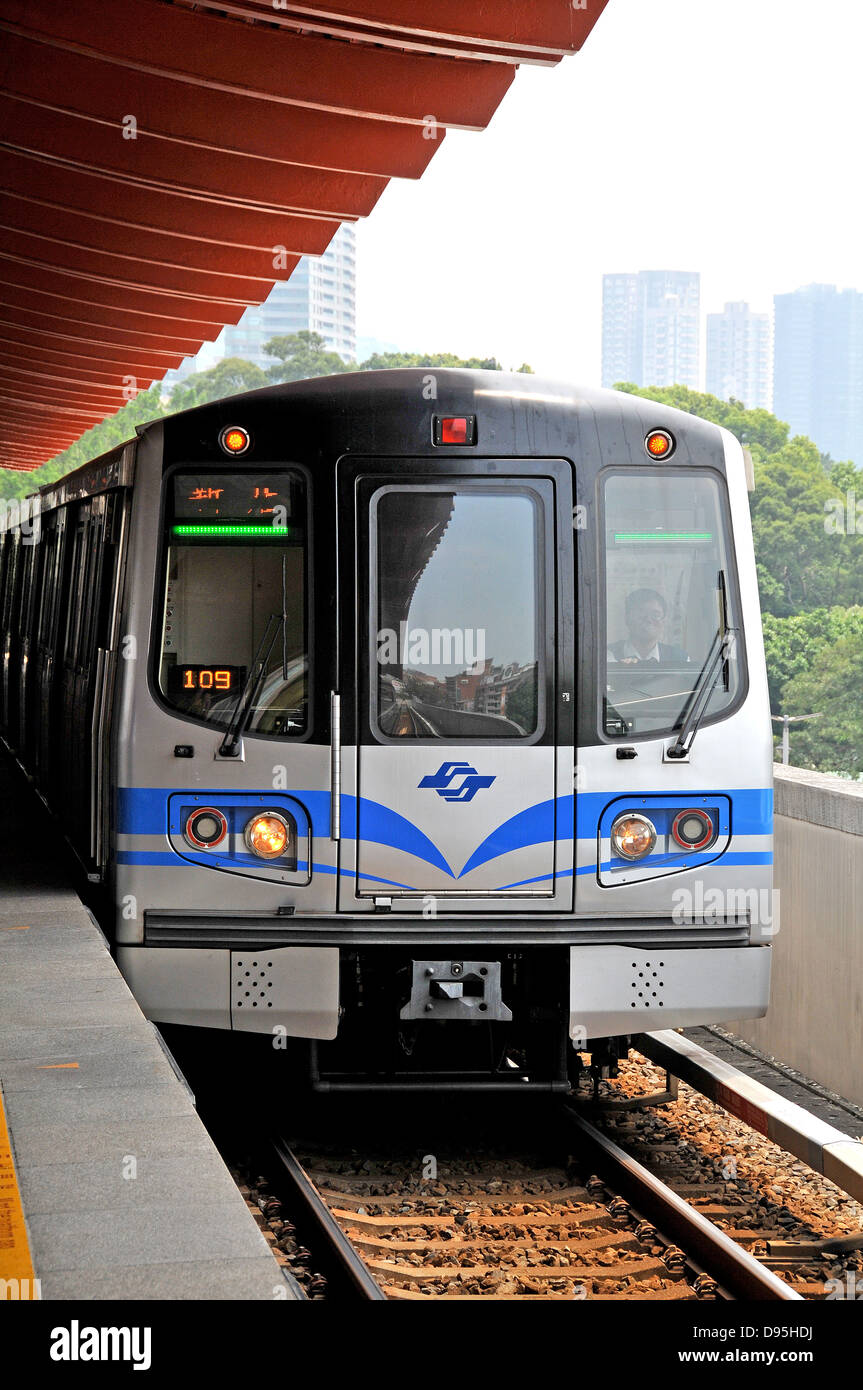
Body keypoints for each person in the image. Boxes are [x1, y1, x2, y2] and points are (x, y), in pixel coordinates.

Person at [607, 588, 690, 665]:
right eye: (641, 614)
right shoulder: (607, 655)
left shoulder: (680, 659)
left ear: (664, 622)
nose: (648, 620)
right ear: (627, 618)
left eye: (655, 615)